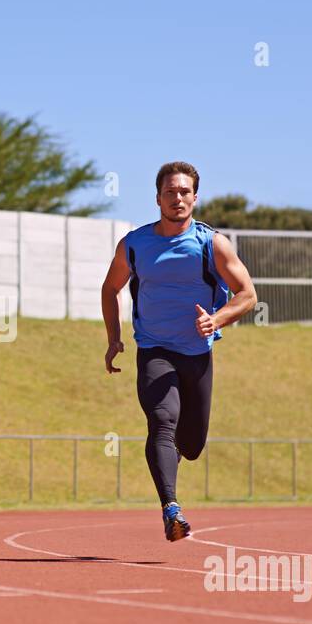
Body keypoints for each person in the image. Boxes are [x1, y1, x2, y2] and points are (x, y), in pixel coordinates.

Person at [100, 162, 257, 541]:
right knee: (161, 421)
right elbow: (110, 289)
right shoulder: (135, 244)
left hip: (197, 354)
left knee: (192, 443)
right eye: (170, 192)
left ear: (195, 198)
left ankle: (174, 464)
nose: (177, 198)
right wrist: (113, 338)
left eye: (184, 192)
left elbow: (248, 296)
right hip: (154, 349)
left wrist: (216, 320)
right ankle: (171, 509)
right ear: (158, 198)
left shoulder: (212, 244)